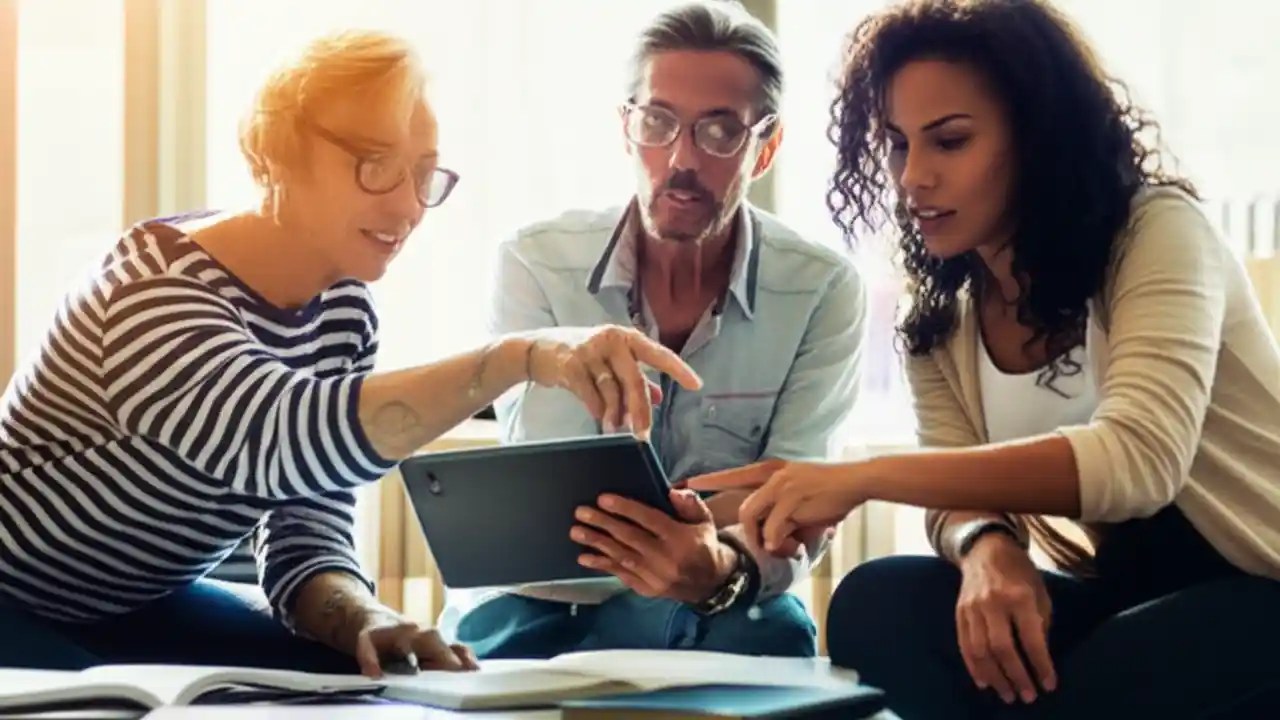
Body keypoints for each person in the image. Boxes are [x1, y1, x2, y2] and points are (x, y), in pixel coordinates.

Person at [0, 29, 699, 677]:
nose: (405, 208)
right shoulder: (150, 285)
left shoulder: (344, 313)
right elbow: (280, 439)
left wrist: (362, 617)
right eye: (374, 166)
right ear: (271, 152)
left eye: (423, 174)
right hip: (14, 593)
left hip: (141, 603)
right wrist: (521, 355)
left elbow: (306, 523)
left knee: (361, 672)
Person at [690, 0, 1280, 717]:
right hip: (1130, 597)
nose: (912, 178)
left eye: (950, 141)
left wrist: (862, 478)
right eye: (899, 144)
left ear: (1039, 139)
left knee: (1124, 669)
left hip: (1261, 588)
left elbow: (1138, 464)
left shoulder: (1156, 231)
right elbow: (955, 499)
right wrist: (988, 548)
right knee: (880, 603)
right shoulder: (942, 315)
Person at [442, 0, 867, 659]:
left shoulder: (822, 290)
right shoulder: (536, 262)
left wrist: (722, 566)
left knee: (777, 637)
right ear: (626, 126)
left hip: (717, 593)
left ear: (767, 147)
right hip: (538, 601)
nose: (680, 158)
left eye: (720, 131)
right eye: (659, 122)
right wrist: (746, 508)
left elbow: (801, 505)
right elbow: (561, 506)